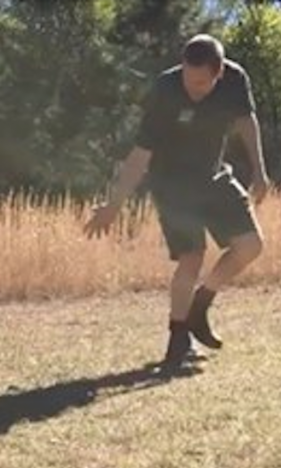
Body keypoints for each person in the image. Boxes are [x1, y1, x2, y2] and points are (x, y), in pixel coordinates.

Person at [84, 34, 270, 366]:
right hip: (172, 183)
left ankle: (201, 304)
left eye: (200, 82)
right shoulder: (167, 90)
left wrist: (259, 169)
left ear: (219, 73)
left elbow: (245, 121)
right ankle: (178, 337)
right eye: (187, 77)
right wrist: (114, 204)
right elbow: (141, 153)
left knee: (250, 245)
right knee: (191, 257)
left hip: (213, 176)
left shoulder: (235, 80)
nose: (192, 87)